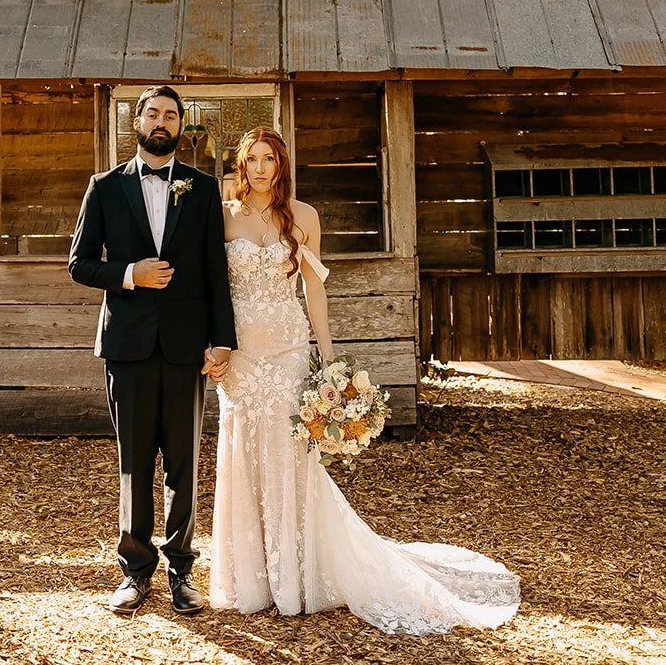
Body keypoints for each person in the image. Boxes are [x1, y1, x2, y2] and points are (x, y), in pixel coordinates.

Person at [208, 126, 521, 635]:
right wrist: (211, 343)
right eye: (253, 160)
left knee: (291, 459)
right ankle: (251, 578)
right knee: (243, 454)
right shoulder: (223, 217)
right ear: (241, 166)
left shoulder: (304, 217)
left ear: (281, 165)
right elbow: (209, 288)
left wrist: (327, 358)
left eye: (269, 159)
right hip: (240, 357)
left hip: (287, 351)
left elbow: (314, 291)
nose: (261, 168)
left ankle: (298, 574)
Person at [67, 85, 236, 616]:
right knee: (134, 463)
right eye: (153, 113)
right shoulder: (104, 188)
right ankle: (135, 572)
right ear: (136, 122)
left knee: (184, 463)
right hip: (128, 347)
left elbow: (215, 272)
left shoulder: (202, 188)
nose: (162, 122)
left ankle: (182, 571)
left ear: (181, 126)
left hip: (187, 348)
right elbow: (79, 263)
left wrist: (223, 338)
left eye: (171, 115)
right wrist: (129, 275)